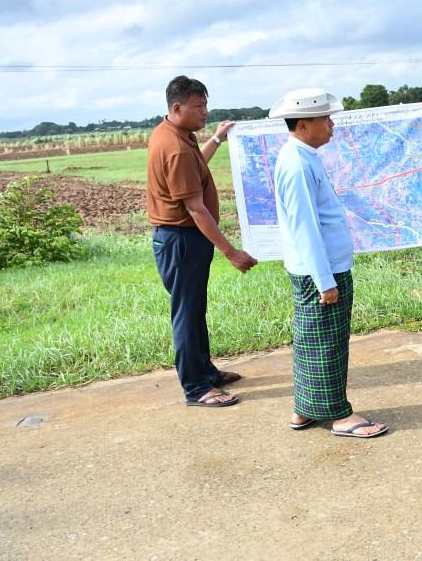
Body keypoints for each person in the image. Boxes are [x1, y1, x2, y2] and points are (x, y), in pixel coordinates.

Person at [271, 88, 387, 438]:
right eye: (326, 118)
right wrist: (325, 280)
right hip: (320, 272)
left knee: (312, 341)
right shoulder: (296, 163)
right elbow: (305, 226)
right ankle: (339, 415)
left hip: (319, 269)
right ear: (304, 125)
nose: (331, 125)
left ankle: (304, 409)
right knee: (327, 344)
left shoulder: (303, 155)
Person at [147, 75, 256, 408]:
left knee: (194, 310)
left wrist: (217, 139)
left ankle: (205, 371)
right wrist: (231, 252)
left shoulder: (176, 134)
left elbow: (196, 169)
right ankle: (196, 388)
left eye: (206, 104)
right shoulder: (176, 148)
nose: (205, 111)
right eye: (198, 106)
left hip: (183, 239)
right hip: (182, 240)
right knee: (186, 312)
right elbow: (195, 209)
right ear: (177, 107)